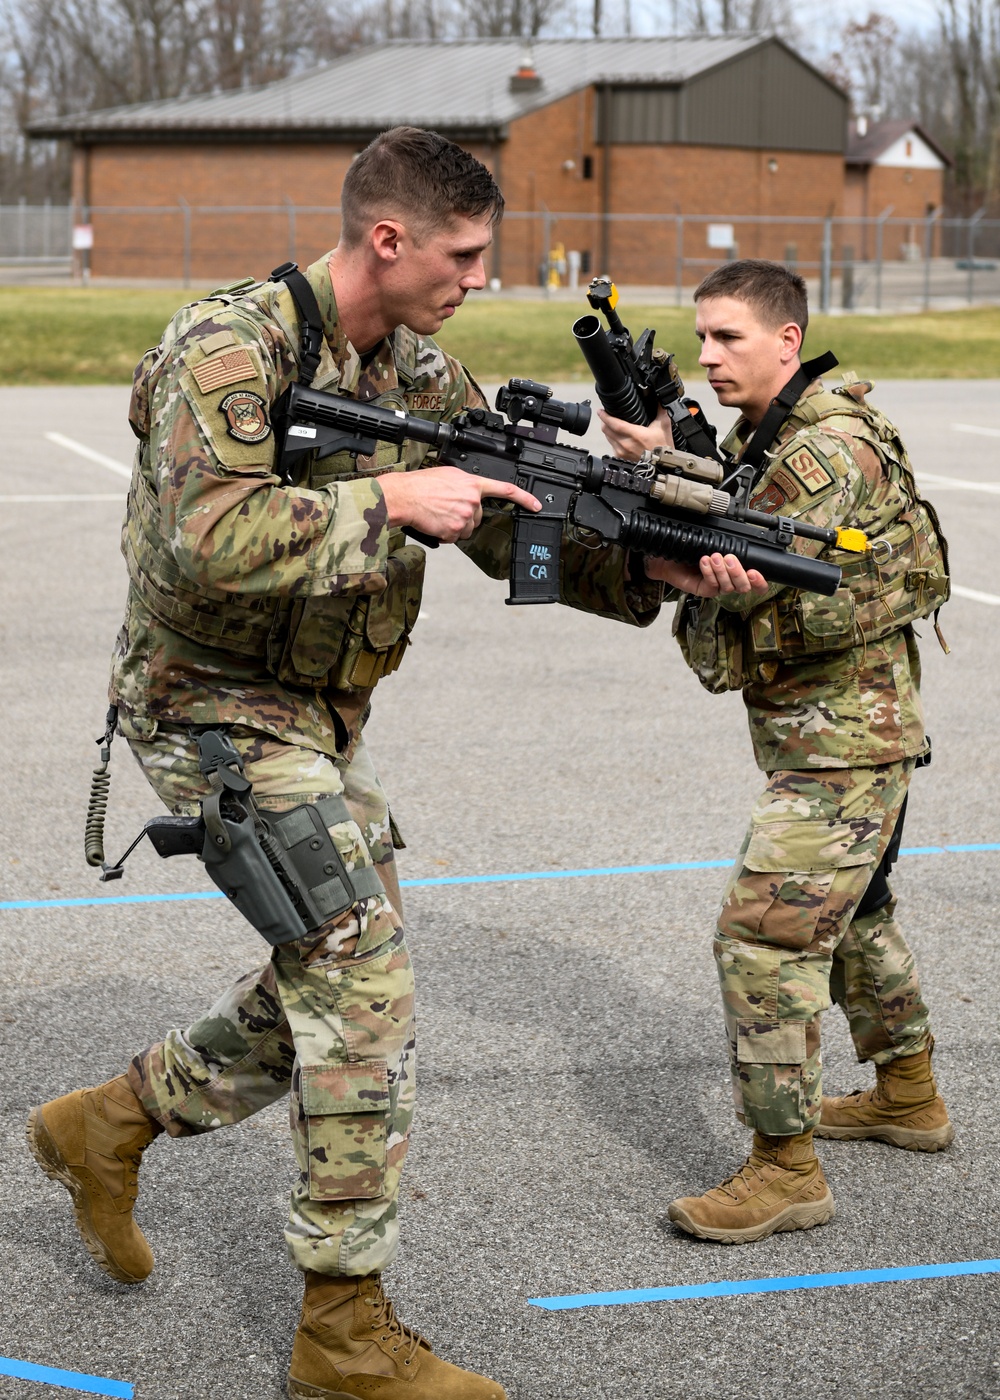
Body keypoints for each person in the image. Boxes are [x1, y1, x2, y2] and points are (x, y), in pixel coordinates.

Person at [26, 127, 761, 1400]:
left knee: (338, 968)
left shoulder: (418, 370)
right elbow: (204, 538)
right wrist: (391, 500)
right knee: (357, 973)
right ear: (388, 239)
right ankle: (342, 1335)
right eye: (465, 254)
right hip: (204, 703)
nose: (481, 275)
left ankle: (110, 1122)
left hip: (314, 721)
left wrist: (656, 562)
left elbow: (519, 524)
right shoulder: (229, 347)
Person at [600, 258, 953, 1246]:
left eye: (729, 338)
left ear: (787, 340)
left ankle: (783, 1166)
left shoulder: (825, 447)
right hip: (850, 731)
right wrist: (669, 456)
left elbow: (740, 551)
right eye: (701, 339)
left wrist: (647, 486)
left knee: (763, 937)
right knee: (856, 914)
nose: (708, 356)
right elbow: (732, 503)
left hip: (843, 745)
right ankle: (908, 1094)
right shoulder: (790, 433)